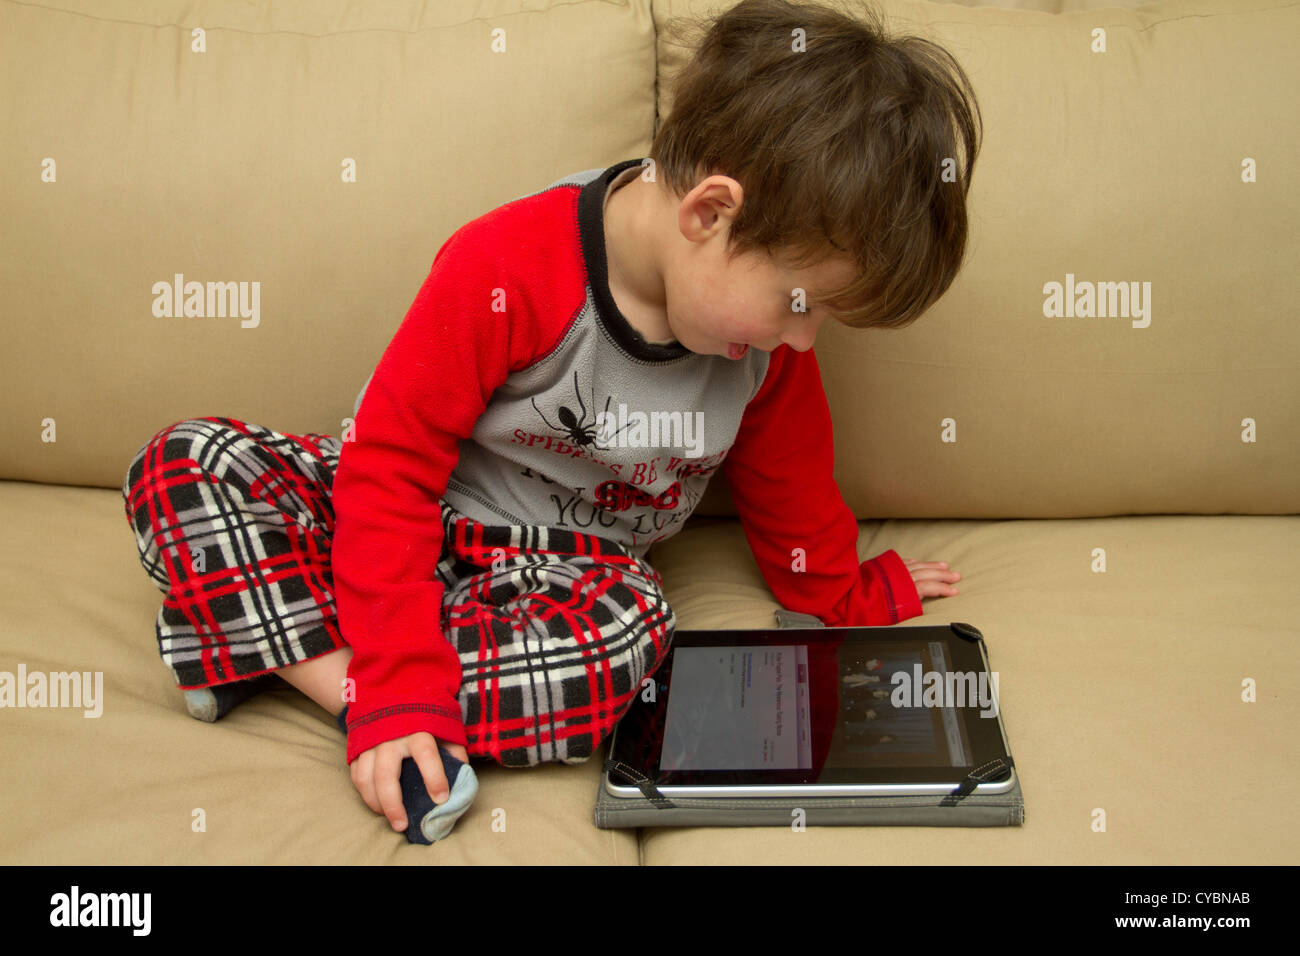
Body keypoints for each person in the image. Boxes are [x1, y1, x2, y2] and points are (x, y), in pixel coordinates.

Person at [121, 0, 979, 845]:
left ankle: (259, 640)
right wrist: (393, 688)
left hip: (558, 580)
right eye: (800, 304)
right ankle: (373, 701)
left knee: (636, 637)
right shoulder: (504, 265)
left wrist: (842, 593)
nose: (802, 337)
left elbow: (792, 488)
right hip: (399, 524)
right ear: (710, 215)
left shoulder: (767, 358)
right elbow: (389, 467)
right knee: (183, 460)